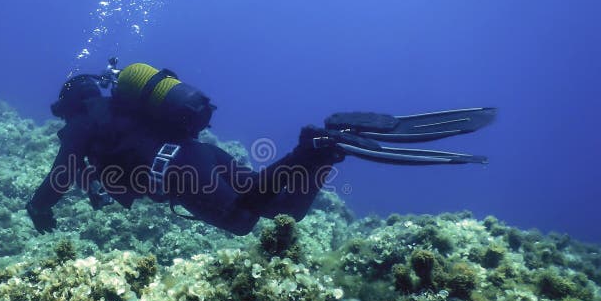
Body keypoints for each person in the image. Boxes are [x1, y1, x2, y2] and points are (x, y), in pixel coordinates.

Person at [26, 61, 496, 236]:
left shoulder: (83, 123)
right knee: (281, 211)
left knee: (243, 219)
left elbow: (62, 174)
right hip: (202, 157)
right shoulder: (120, 108)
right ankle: (323, 151)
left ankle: (316, 146)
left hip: (177, 173)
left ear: (69, 105)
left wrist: (39, 210)